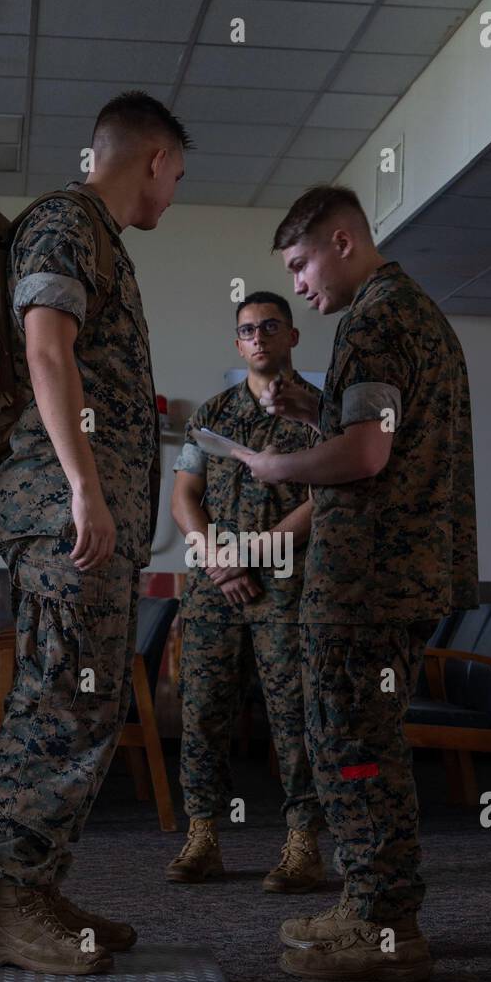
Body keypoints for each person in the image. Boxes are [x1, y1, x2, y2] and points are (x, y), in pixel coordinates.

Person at [231, 185, 478, 982]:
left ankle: (382, 923)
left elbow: (367, 458)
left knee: (352, 743)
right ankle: (374, 904)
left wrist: (278, 463)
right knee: (363, 739)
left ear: (343, 241)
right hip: (398, 569)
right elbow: (380, 436)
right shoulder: (412, 311)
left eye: (301, 265)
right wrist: (319, 413)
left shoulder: (373, 319)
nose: (298, 284)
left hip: (367, 575)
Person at [0, 91, 191, 976]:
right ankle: (13, 903)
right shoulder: (68, 222)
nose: (172, 196)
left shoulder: (101, 241)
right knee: (61, 697)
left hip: (87, 517)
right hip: (68, 517)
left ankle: (37, 888)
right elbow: (46, 351)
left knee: (84, 700)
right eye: (176, 177)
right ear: (152, 159)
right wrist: (85, 490)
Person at [168, 293, 327, 891]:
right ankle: (203, 836)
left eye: (269, 327)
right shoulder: (211, 413)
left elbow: (324, 498)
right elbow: (185, 497)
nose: (258, 338)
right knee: (203, 709)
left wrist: (252, 554)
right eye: (246, 331)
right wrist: (218, 559)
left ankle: (303, 844)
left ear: (291, 336)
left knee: (295, 714)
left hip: (286, 583)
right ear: (237, 344)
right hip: (215, 586)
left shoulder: (320, 413)